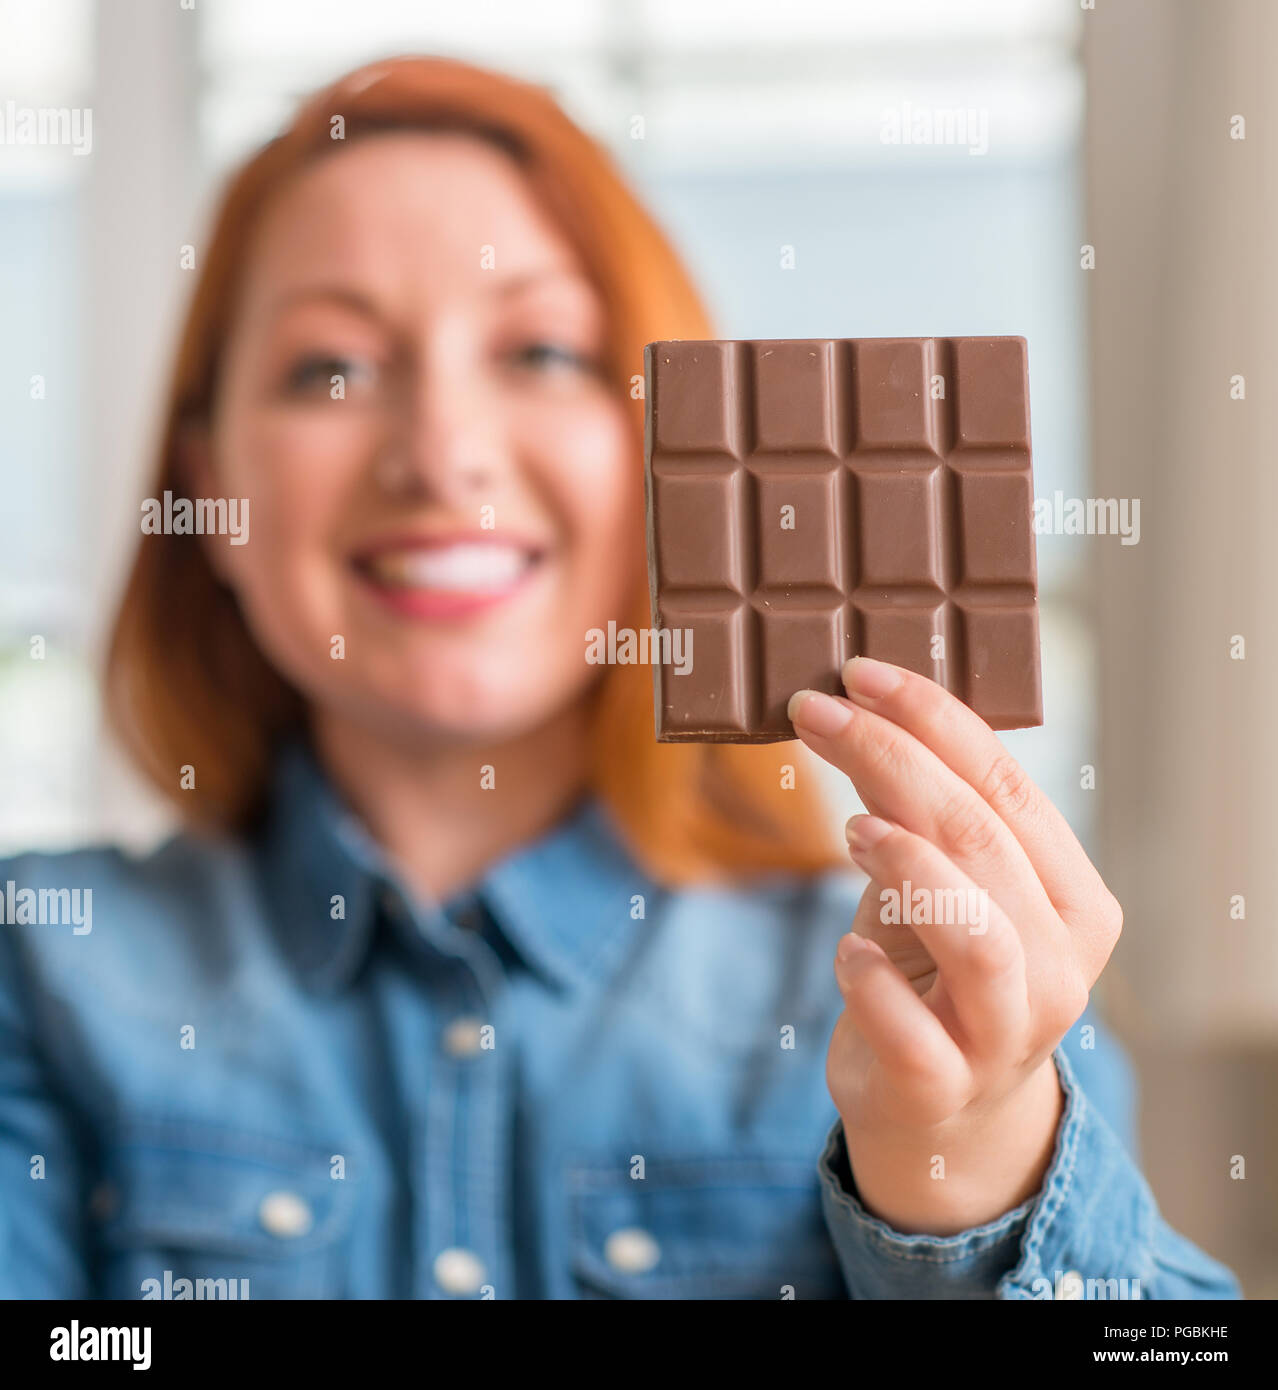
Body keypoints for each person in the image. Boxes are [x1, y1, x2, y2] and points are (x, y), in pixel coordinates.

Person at [0, 56, 1238, 1300]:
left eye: (540, 351)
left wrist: (965, 1182)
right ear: (211, 485)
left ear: (675, 456)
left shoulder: (951, 979)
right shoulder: (47, 973)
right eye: (331, 367)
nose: (442, 454)